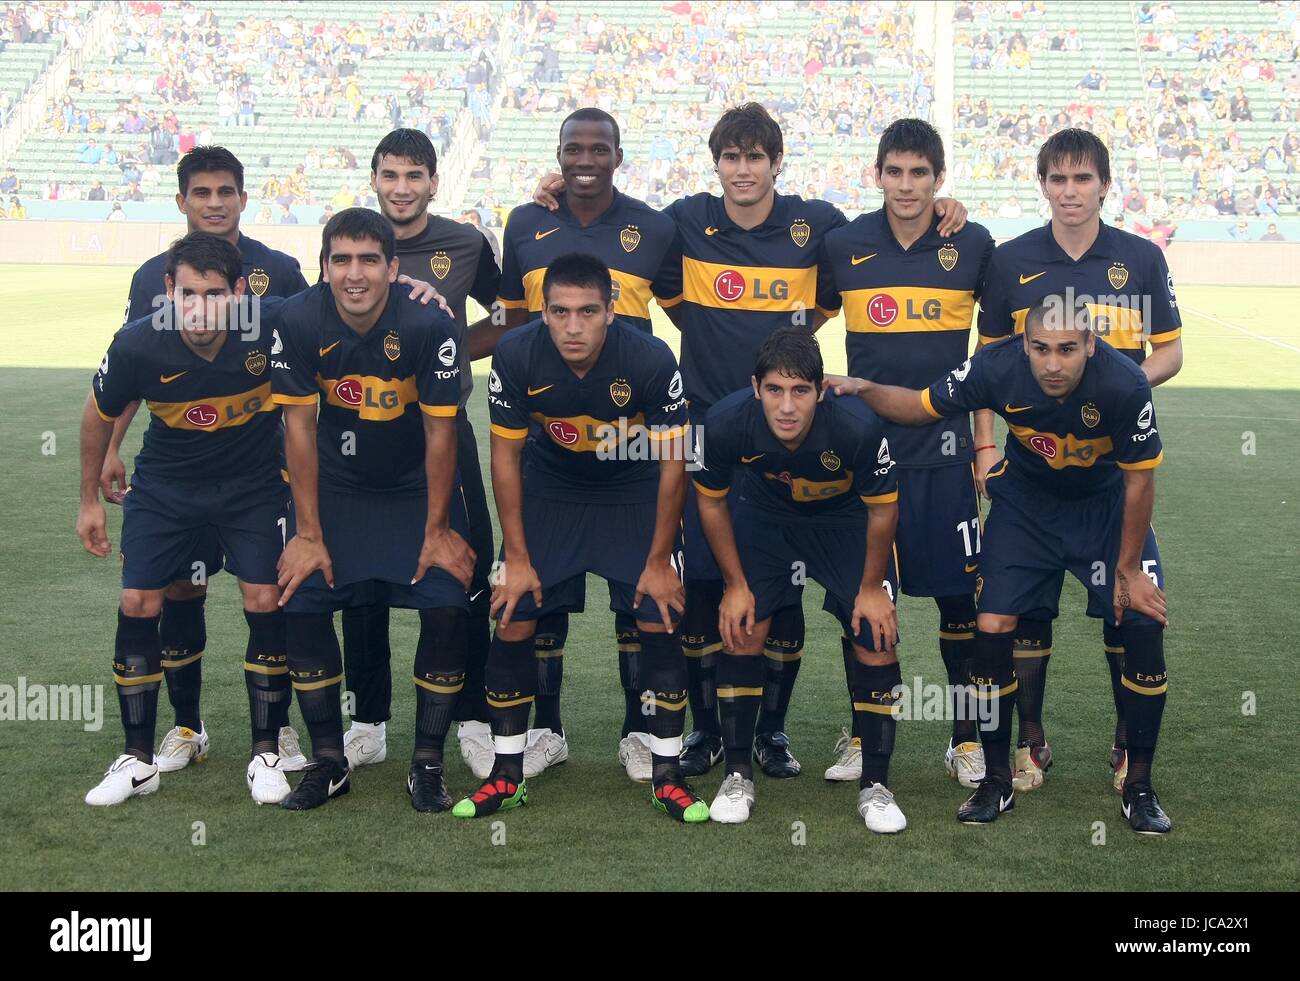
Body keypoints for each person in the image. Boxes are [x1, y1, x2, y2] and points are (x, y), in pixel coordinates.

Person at [534, 104, 968, 780]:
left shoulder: (815, 226)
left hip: (789, 435)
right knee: (706, 589)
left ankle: (771, 731)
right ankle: (709, 728)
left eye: (755, 157)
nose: (743, 170)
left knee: (781, 595)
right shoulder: (683, 220)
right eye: (731, 158)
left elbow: (879, 237)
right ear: (717, 164)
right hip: (710, 431)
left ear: (775, 163)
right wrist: (563, 189)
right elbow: (614, 227)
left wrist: (947, 208)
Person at [830, 293, 1173, 834]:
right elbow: (920, 405)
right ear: (1024, 345)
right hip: (1026, 510)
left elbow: (1140, 480)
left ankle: (1140, 787)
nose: (1052, 363)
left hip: (1104, 510)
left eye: (1066, 349)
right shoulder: (995, 365)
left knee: (1142, 623)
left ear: (1091, 343)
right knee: (990, 626)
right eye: (1040, 349)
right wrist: (866, 389)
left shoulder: (1123, 383)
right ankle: (995, 781)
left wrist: (1128, 570)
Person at [455, 253, 704, 822]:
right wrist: (515, 556)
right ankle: (506, 774)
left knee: (658, 615)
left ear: (611, 312)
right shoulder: (516, 354)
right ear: (542, 313)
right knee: (513, 609)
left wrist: (662, 559)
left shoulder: (650, 358)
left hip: (632, 485)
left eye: (588, 311)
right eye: (560, 312)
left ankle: (666, 773)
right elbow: (505, 457)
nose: (573, 326)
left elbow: (673, 463)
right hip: (554, 486)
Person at [978, 128, 1181, 795]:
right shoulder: (1009, 262)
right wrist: (984, 446)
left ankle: (1128, 744)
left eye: (1083, 179)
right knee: (1022, 612)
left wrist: (1110, 399)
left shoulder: (1142, 259)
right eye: (1058, 179)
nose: (1070, 192)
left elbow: (1171, 352)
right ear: (1043, 185)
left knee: (1129, 607)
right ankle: (1030, 741)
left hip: (1108, 479)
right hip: (1030, 480)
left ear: (1104, 185)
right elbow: (988, 370)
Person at [488, 109, 681, 783]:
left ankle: (640, 730)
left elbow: (691, 314)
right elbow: (511, 319)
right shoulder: (524, 222)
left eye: (599, 147)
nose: (586, 157)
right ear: (559, 153)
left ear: (620, 155)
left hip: (629, 447)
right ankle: (545, 730)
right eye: (574, 147)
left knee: (643, 608)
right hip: (555, 455)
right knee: (538, 605)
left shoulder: (657, 227)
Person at [104, 146, 309, 775]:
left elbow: (314, 342)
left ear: (244, 199)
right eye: (201, 193)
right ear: (183, 201)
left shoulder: (280, 269)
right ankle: (187, 728)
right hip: (175, 472)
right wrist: (112, 449)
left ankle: (277, 735)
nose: (214, 203)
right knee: (179, 589)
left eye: (226, 192)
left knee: (268, 595)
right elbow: (138, 373)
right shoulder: (150, 277)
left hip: (256, 472)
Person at [78, 233, 295, 806]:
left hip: (252, 487)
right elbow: (97, 415)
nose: (200, 309)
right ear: (169, 291)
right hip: (167, 488)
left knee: (265, 598)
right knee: (143, 601)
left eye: (215, 294)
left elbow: (351, 299)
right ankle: (145, 755)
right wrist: (88, 501)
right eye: (189, 293)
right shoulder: (136, 344)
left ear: (241, 293)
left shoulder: (272, 326)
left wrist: (410, 285)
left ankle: (266, 752)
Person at [272, 208, 473, 811]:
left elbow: (443, 435)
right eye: (341, 260)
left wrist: (437, 530)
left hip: (415, 487)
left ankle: (428, 762)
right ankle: (329, 760)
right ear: (324, 266)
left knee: (445, 604)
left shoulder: (427, 323)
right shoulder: (299, 318)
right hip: (336, 486)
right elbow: (299, 429)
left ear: (392, 266)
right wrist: (308, 532)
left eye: (367, 260)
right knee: (302, 601)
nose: (353, 275)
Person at [818, 118, 994, 788]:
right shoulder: (844, 243)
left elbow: (995, 356)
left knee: (961, 608)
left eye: (920, 173)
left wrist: (984, 445)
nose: (907, 185)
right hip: (867, 460)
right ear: (877, 175)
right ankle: (866, 735)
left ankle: (967, 738)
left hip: (945, 458)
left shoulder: (972, 243)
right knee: (863, 602)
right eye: (895, 171)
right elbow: (799, 323)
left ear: (939, 179)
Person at [339, 128, 503, 783]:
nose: (401, 187)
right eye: (390, 175)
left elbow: (510, 309)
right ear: (374, 180)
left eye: (414, 176)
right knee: (359, 577)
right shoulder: (350, 240)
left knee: (467, 569)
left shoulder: (464, 243)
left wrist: (452, 349)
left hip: (442, 426)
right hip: (359, 433)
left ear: (435, 181)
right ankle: (367, 721)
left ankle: (473, 714)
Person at [695, 329, 900, 829]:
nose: (787, 407)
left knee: (876, 636)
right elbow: (710, 500)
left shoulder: (857, 427)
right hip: (767, 520)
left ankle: (876, 785)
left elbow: (884, 510)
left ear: (821, 390)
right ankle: (739, 774)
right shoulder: (723, 422)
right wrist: (735, 583)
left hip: (844, 521)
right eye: (774, 390)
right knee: (743, 630)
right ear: (755, 387)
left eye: (800, 391)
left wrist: (871, 589)